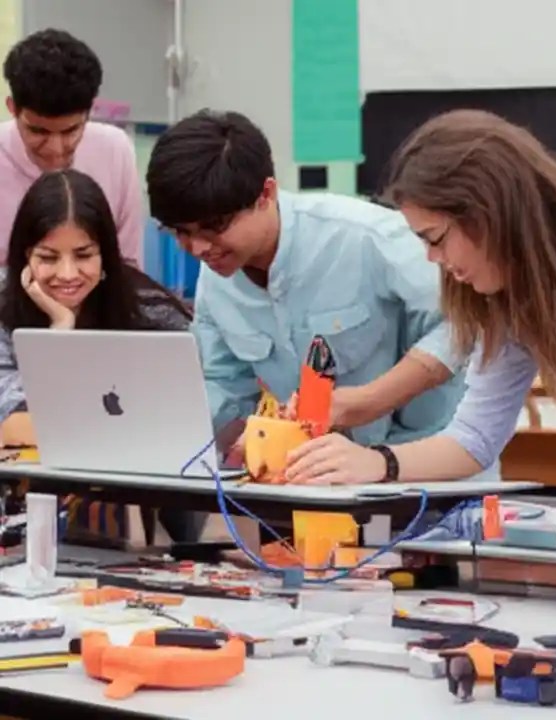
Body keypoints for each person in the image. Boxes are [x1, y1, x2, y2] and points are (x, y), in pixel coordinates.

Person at [281, 109, 556, 498]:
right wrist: (376, 463)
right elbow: (474, 437)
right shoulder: (514, 299)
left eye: (436, 239)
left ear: (488, 211)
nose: (432, 259)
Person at [143, 110, 482, 477]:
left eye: (214, 227)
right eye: (179, 232)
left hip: (432, 473)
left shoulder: (365, 237)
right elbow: (224, 389)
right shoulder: (215, 281)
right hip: (319, 483)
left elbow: (462, 325)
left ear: (266, 193)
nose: (197, 248)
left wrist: (365, 403)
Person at [0, 169, 198, 543]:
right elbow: (10, 423)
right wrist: (60, 330)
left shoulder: (152, 312)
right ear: (24, 255)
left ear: (105, 254)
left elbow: (186, 423)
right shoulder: (3, 311)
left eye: (84, 255)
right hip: (25, 508)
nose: (67, 273)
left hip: (148, 497)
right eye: (48, 257)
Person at [0, 29, 142, 264]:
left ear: (89, 112)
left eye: (70, 132)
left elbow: (128, 265)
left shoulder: (115, 152)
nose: (55, 150)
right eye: (38, 131)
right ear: (12, 108)